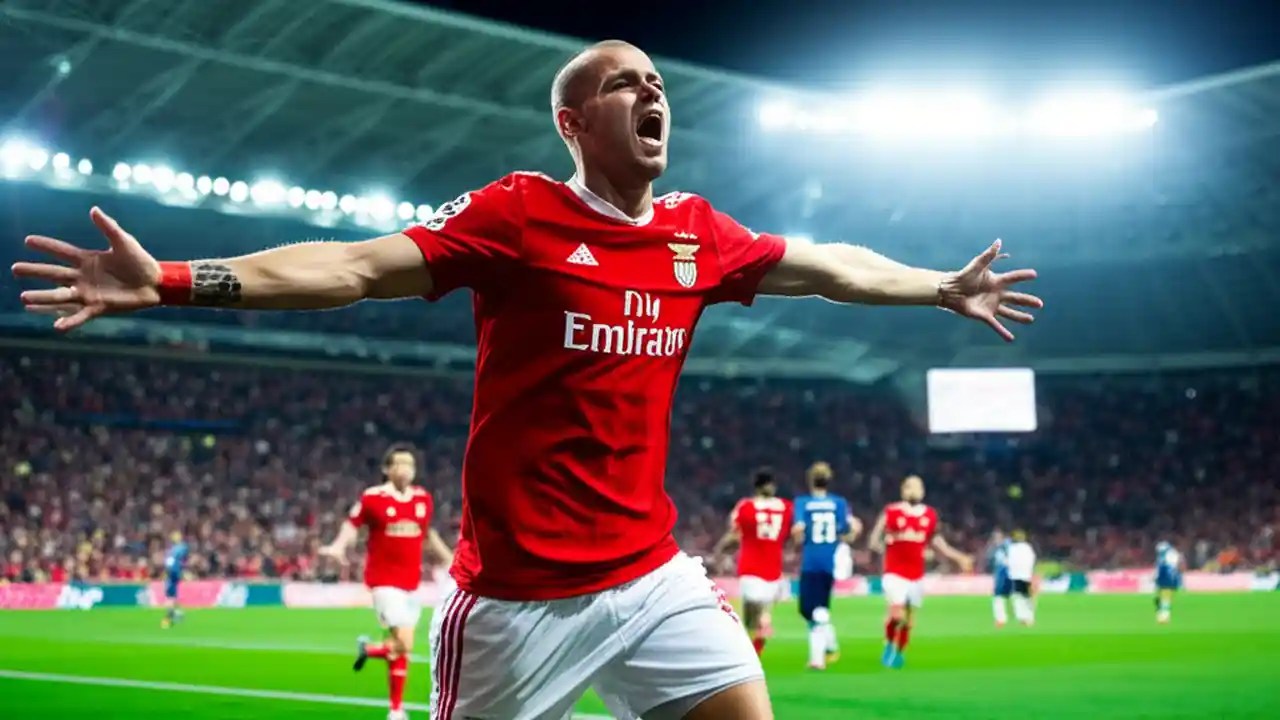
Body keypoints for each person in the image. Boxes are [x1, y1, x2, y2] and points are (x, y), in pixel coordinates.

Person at [13, 39, 1041, 720]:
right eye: (622, 83)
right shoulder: (515, 216)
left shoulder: (696, 235)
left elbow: (825, 266)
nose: (651, 91)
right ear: (571, 122)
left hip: (650, 576)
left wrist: (934, 288)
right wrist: (182, 282)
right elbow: (355, 265)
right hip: (516, 603)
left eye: (657, 83)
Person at [319, 445, 452, 720]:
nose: (406, 469)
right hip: (383, 582)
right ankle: (393, 706)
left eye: (410, 465)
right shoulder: (373, 498)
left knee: (403, 647)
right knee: (403, 642)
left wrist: (450, 559)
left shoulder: (422, 499)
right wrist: (338, 547)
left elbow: (427, 534)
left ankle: (393, 703)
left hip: (411, 582)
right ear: (387, 469)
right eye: (400, 464)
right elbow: (352, 524)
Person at [868, 475, 974, 669]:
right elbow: (873, 539)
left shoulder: (930, 515)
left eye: (918, 487)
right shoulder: (891, 512)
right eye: (910, 487)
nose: (914, 491)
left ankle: (899, 653)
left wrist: (959, 557)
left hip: (915, 574)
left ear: (923, 492)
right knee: (896, 614)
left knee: (909, 618)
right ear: (903, 491)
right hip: (894, 572)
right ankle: (889, 644)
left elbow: (937, 542)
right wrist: (884, 547)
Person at [713, 468, 793, 657]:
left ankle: (759, 631)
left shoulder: (745, 506)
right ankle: (764, 623)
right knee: (763, 608)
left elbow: (734, 535)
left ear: (755, 486)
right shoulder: (786, 506)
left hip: (751, 566)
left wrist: (720, 550)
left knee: (749, 617)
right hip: (775, 567)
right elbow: (792, 534)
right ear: (773, 485)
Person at [791, 461, 861, 670]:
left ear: (810, 480)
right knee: (809, 610)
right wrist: (853, 533)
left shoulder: (802, 503)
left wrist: (798, 538)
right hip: (828, 562)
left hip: (811, 561)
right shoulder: (838, 503)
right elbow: (848, 531)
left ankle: (817, 659)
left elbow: (798, 531)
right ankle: (830, 644)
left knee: (814, 610)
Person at [1006, 529, 1037, 626]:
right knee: (1027, 597)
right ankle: (1028, 617)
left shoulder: (1011, 548)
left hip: (1015, 576)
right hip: (1025, 575)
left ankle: (1022, 617)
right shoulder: (1027, 547)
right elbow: (1032, 559)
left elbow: (1008, 561)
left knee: (1018, 596)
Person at [160, 531, 188, 629]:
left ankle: (170, 617)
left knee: (170, 597)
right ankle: (171, 617)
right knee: (171, 597)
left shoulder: (171, 551)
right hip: (174, 573)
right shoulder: (183, 548)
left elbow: (169, 563)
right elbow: (183, 560)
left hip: (171, 574)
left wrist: (167, 572)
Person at [1153, 540, 1184, 624]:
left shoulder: (1164, 557)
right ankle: (1164, 614)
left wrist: (1156, 578)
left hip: (1166, 578)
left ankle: (1164, 615)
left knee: (1164, 596)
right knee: (1166, 597)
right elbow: (1179, 566)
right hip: (1171, 578)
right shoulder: (1174, 554)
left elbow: (1161, 569)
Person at [988, 529, 1013, 627]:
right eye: (994, 537)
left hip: (1010, 571)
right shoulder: (994, 548)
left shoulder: (1007, 545)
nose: (995, 539)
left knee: (1014, 595)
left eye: (997, 537)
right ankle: (1000, 619)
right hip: (1001, 572)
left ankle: (1021, 616)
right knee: (998, 596)